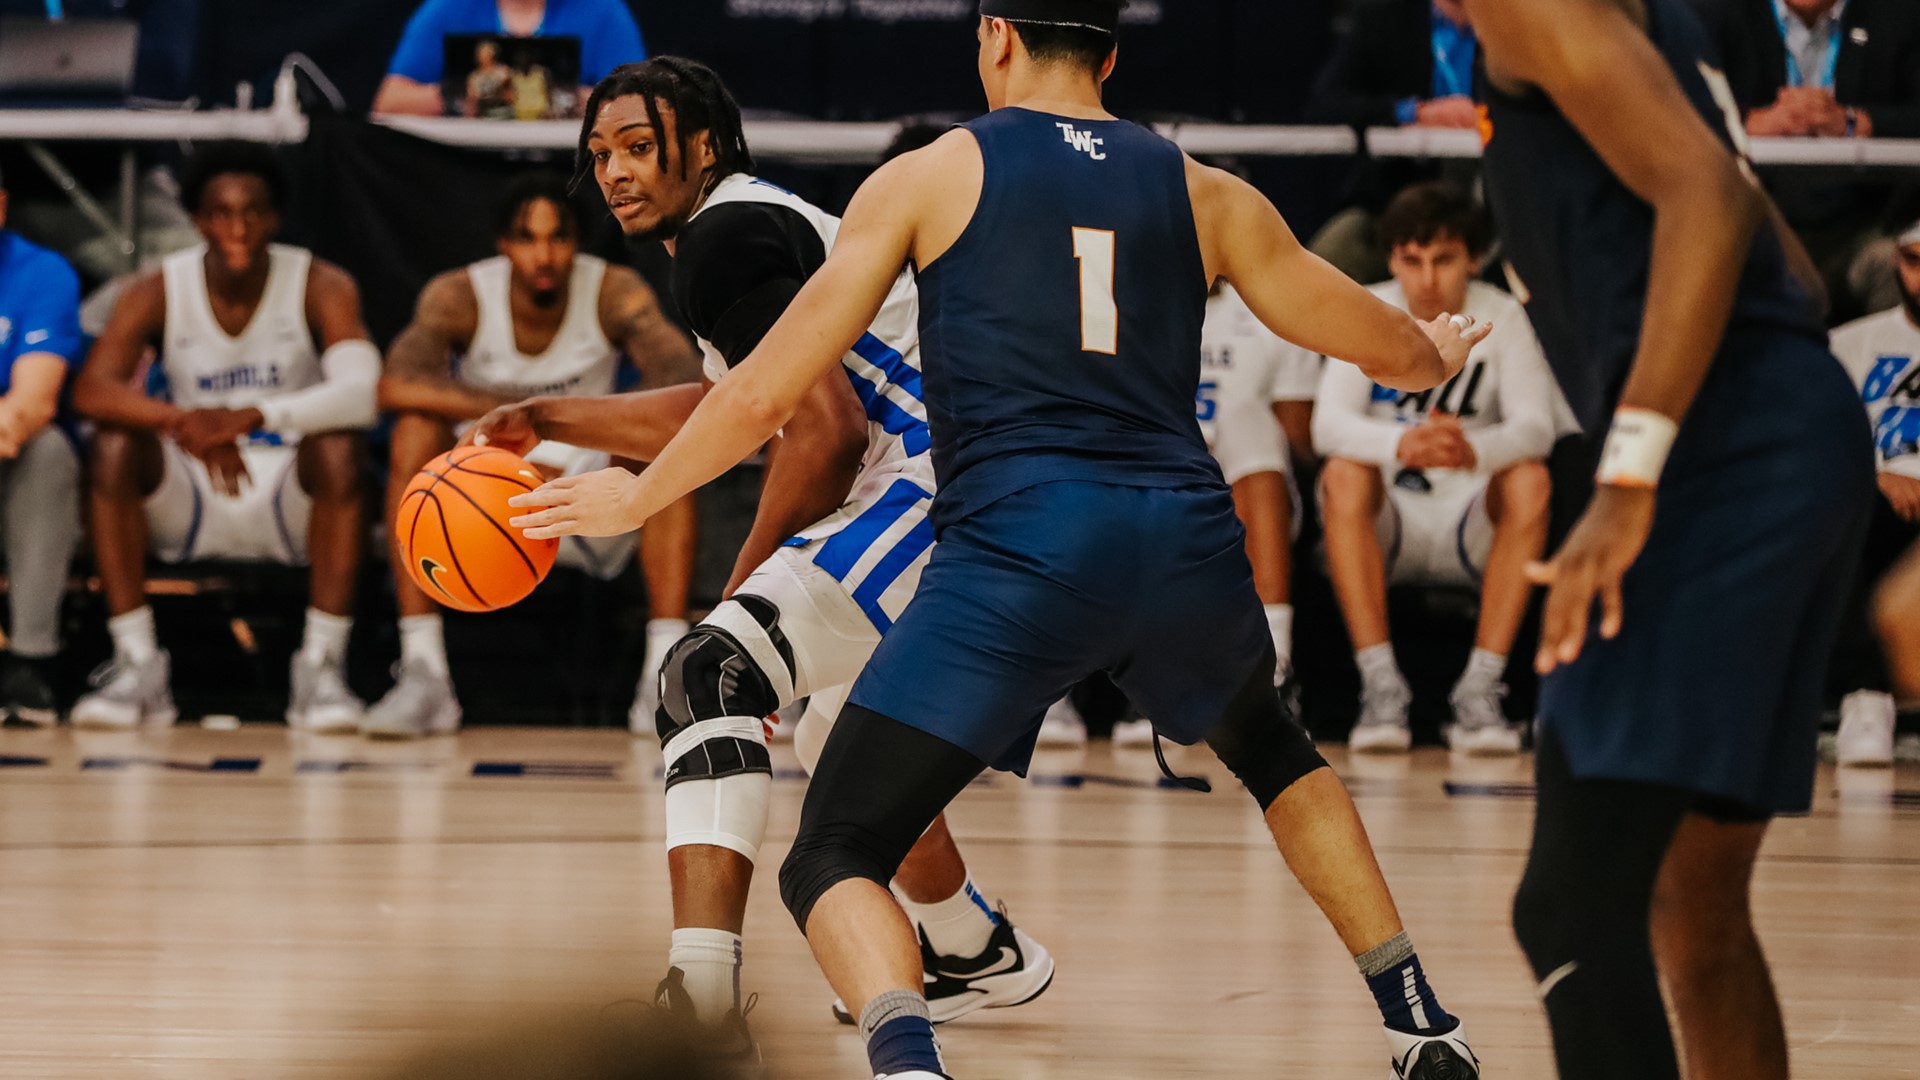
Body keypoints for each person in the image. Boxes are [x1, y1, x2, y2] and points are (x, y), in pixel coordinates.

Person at [509, 10, 1491, 1079]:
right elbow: (1382, 341)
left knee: (833, 850)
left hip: (1012, 541)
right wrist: (1431, 349)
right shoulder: (1209, 191)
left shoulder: (928, 178)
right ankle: (1421, 1024)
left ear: (995, 42)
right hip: (1180, 535)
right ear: (1112, 56)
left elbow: (768, 396)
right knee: (1278, 755)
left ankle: (909, 1059)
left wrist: (638, 496)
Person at [470, 57, 1057, 1059]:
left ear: (702, 149)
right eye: (599, 152)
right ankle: (971, 948)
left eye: (639, 148)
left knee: (709, 673)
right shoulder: (746, 223)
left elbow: (816, 429)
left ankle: (699, 1001)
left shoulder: (723, 238)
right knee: (840, 742)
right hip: (1002, 481)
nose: (612, 172)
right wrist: (549, 414)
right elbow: (739, 402)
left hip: (942, 475)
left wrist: (740, 591)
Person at [1470, 0, 1875, 1076]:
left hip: (1717, 457)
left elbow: (1702, 192)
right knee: (1693, 908)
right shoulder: (1646, 23)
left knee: (1570, 909)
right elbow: (1793, 268)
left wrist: (1634, 467)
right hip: (1795, 430)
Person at [371, 172, 702, 740]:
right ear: (503, 244)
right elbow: (395, 382)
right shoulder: (462, 294)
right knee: (413, 431)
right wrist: (515, 423)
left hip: (586, 482)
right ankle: (424, 673)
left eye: (559, 238)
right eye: (528, 238)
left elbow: (682, 377)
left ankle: (662, 673)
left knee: (672, 444)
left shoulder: (612, 291)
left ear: (577, 244)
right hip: (481, 488)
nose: (544, 254)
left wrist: (566, 432)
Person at [70, 143, 381, 732]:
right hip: (193, 481)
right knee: (112, 444)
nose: (237, 228)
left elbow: (363, 395)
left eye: (253, 212)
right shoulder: (157, 287)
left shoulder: (322, 283)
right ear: (197, 218)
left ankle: (320, 668)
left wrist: (252, 416)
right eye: (221, 213)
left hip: (288, 492)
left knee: (340, 447)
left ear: (276, 216)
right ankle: (137, 663)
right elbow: (93, 390)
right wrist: (183, 422)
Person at [1314, 182, 1559, 757]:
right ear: (1392, 258)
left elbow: (1537, 429)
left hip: (1472, 520)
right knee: (1343, 472)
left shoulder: (1505, 316)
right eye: (1411, 260)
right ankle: (1380, 687)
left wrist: (1471, 451)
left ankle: (1481, 690)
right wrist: (1407, 443)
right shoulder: (1367, 307)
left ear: (1473, 258)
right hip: (1391, 516)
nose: (1426, 280)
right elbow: (1327, 426)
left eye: (1443, 260)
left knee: (1531, 478)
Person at [1038, 280, 1321, 749]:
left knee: (1245, 419)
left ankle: (1275, 670)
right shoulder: (1110, 301)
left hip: (1241, 488)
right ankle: (1106, 679)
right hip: (1143, 472)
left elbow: (1300, 442)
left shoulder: (1271, 308)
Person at [1688, 0, 1920, 317]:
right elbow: (1672, 101)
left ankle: (1895, 366)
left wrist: (1856, 122)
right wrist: (1748, 122)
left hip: (1862, 224)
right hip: (1754, 224)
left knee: (1895, 263)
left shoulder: (1898, 13)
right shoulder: (1714, 11)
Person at [1825, 218, 1920, 765]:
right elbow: (1816, 441)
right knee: (1840, 502)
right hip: (1874, 498)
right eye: (1915, 261)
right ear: (1896, 262)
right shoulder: (1848, 344)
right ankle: (1866, 698)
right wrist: (1875, 474)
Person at [1305, 0, 1484, 283]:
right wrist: (1412, 112)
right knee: (1325, 264)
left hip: (1492, 204)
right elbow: (1325, 102)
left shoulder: (1523, 21)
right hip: (1390, 198)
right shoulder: (1384, 16)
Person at [0, 166, 84, 726]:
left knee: (48, 450)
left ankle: (30, 663)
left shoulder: (40, 272)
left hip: (7, 452)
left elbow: (30, 404)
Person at [373, 0, 647, 117]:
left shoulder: (604, 11)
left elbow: (642, 108)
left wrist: (568, 99)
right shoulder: (448, 8)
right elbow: (389, 102)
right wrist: (459, 96)